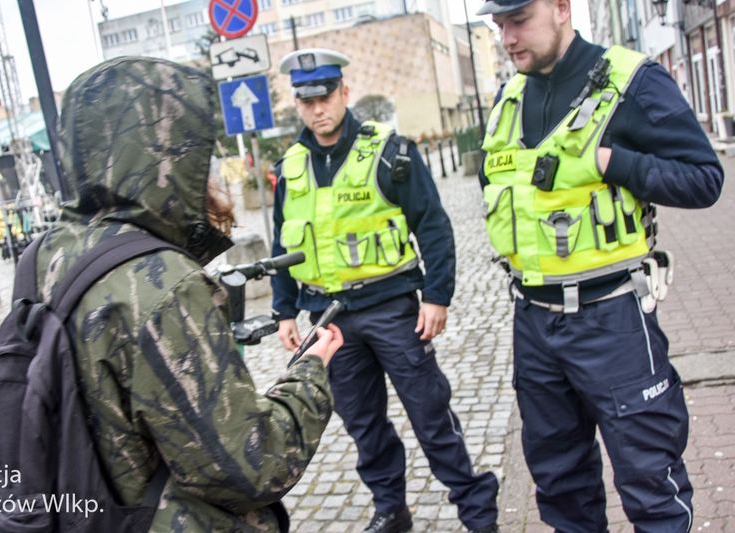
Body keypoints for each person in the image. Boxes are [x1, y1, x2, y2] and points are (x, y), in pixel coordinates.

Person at [36, 57, 344, 532]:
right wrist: (310, 371)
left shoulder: (52, 251)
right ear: (167, 154)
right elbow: (252, 465)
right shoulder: (160, 284)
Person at [476, 0, 725, 531]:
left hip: (612, 319)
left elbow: (704, 178)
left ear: (563, 8)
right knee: (560, 484)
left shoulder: (631, 80)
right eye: (499, 26)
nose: (508, 37)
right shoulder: (508, 98)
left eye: (519, 20)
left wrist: (614, 161)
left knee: (650, 480)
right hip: (535, 321)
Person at [270, 48, 500, 533]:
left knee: (431, 416)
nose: (317, 109)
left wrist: (437, 296)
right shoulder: (289, 167)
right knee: (363, 425)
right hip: (329, 319)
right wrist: (284, 310)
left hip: (391, 309)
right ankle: (391, 510)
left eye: (325, 96)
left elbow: (433, 226)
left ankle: (477, 512)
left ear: (344, 93)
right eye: (306, 100)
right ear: (297, 105)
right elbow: (281, 242)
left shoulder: (389, 151)